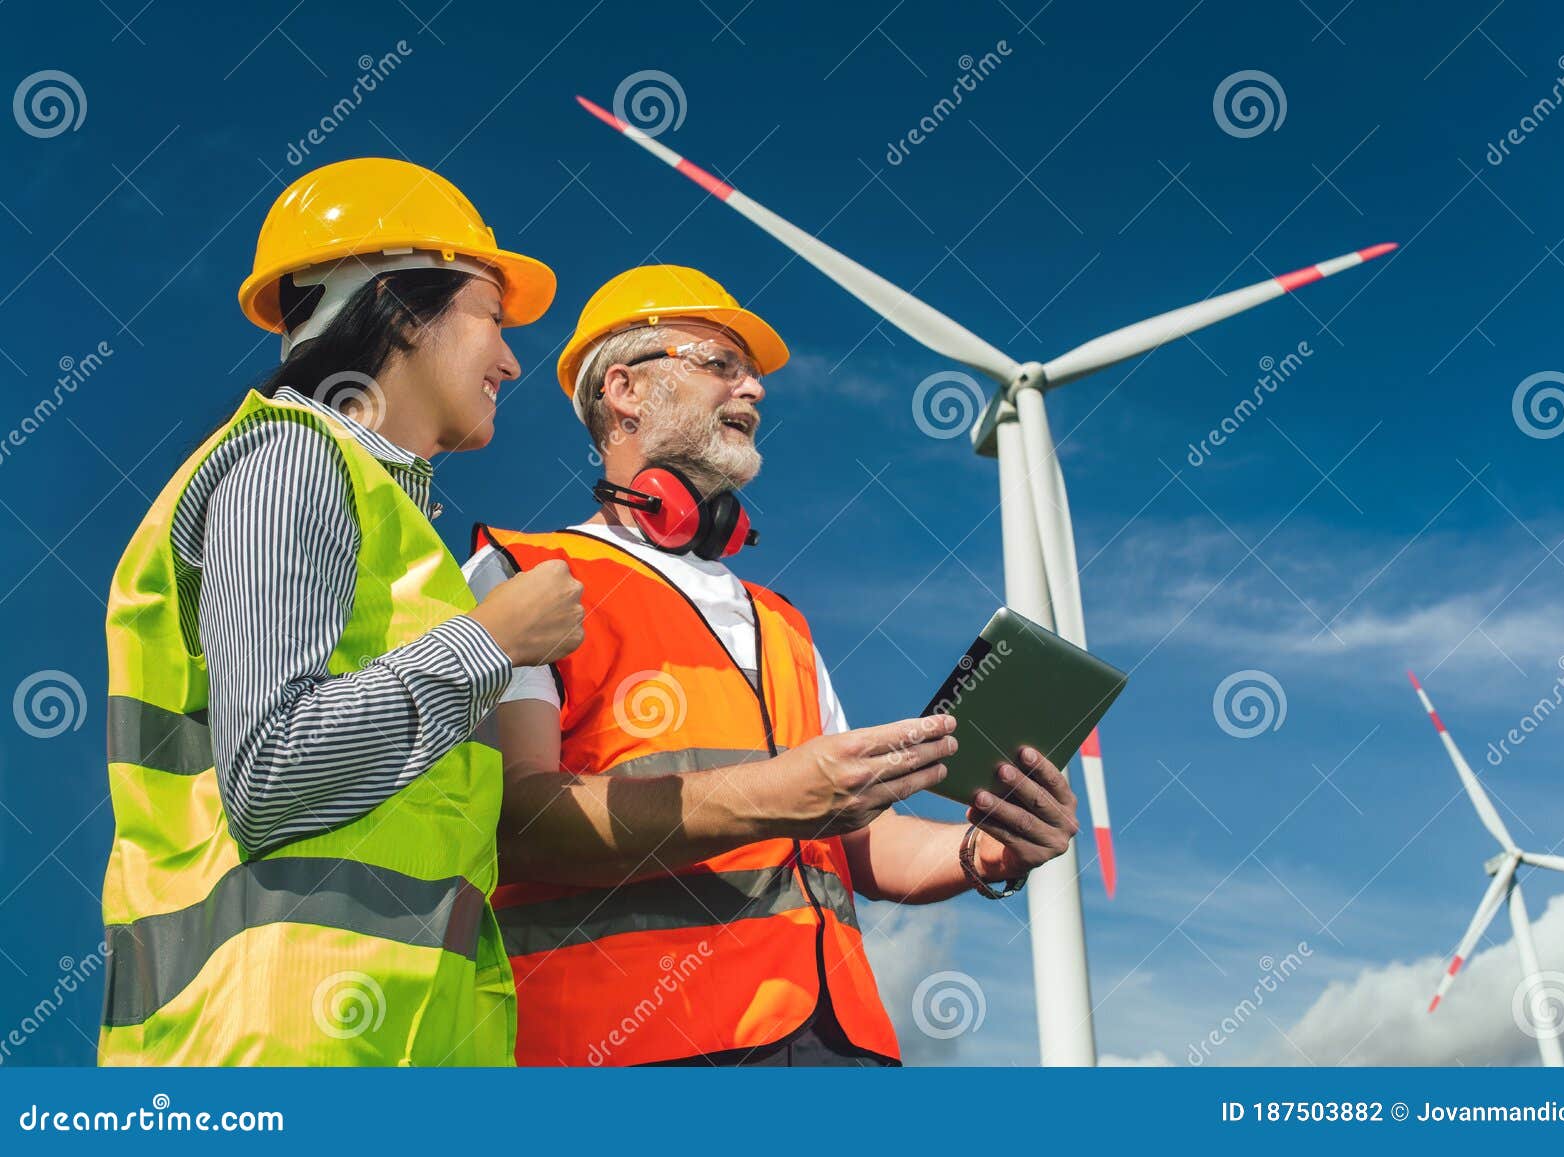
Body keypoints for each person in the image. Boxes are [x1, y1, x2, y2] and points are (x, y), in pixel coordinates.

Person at [465, 265, 1080, 1067]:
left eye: (750, 373)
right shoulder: (522, 573)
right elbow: (515, 821)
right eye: (721, 363)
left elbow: (863, 847)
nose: (755, 388)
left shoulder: (780, 621)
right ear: (624, 390)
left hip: (840, 1049)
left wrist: (983, 851)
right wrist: (781, 794)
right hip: (639, 1052)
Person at [99, 157, 585, 1065]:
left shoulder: (388, 522)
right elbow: (271, 770)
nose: (514, 360)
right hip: (283, 1044)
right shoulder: (291, 462)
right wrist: (492, 643)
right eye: (490, 316)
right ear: (402, 309)